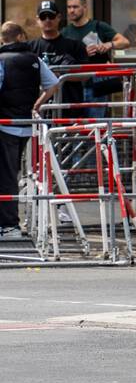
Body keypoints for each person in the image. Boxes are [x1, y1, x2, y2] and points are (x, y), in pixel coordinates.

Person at [0, 22, 62, 238]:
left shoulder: (1, 60)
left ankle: (9, 226)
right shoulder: (34, 59)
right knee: (18, 172)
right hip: (27, 126)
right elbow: (53, 84)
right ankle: (14, 223)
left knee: (6, 175)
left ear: (3, 39)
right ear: (20, 37)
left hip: (5, 125)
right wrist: (37, 103)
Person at [28, 2, 87, 111]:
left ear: (58, 17)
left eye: (51, 16)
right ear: (37, 19)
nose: (47, 20)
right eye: (43, 17)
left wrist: (58, 75)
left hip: (69, 106)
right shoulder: (29, 47)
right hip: (38, 107)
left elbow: (85, 75)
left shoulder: (75, 46)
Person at [62, 0, 130, 58]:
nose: (71, 10)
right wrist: (82, 54)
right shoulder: (65, 32)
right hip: (76, 69)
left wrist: (109, 44)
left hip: (98, 68)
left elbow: (125, 42)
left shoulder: (99, 26)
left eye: (75, 7)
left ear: (84, 7)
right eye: (69, 7)